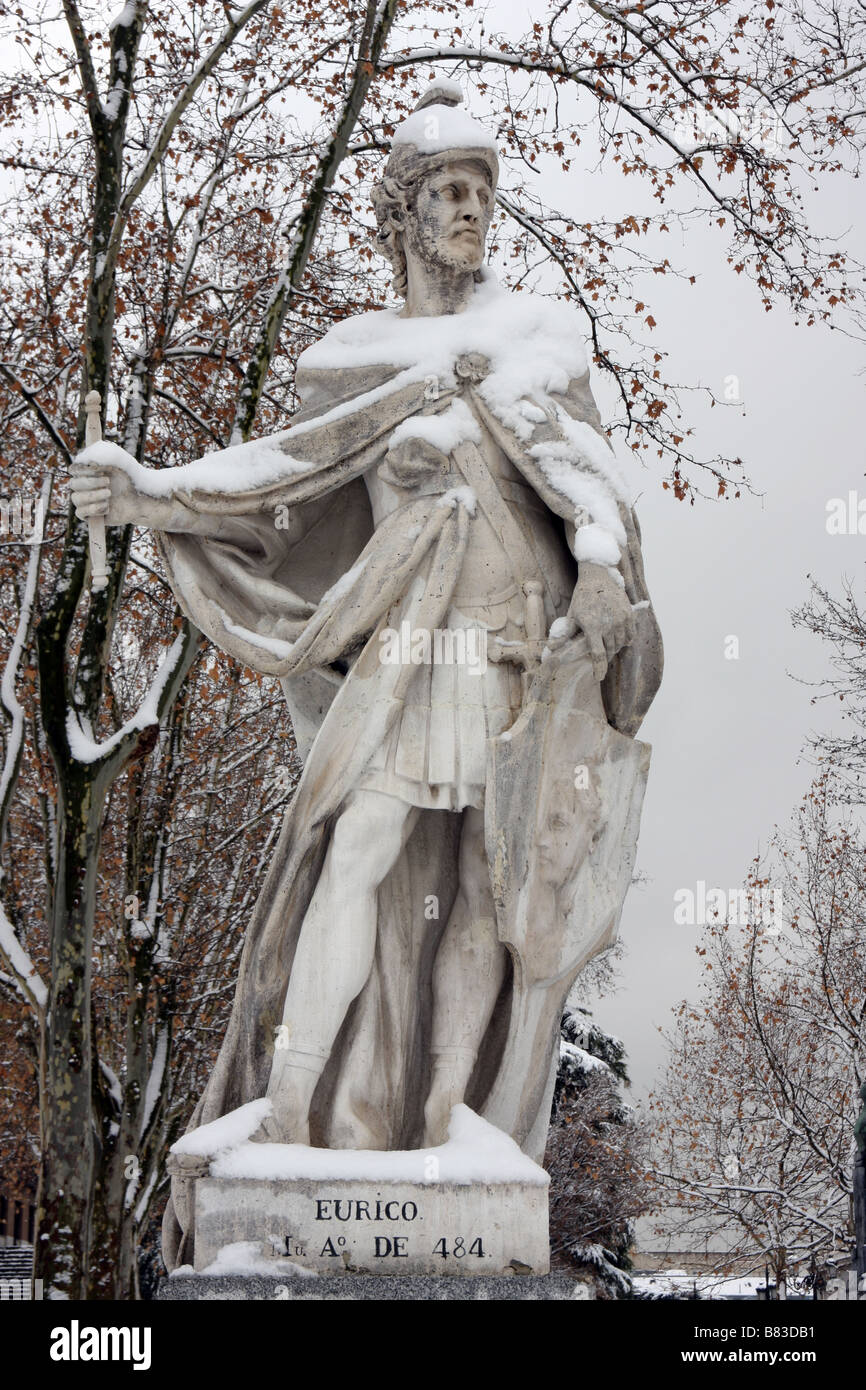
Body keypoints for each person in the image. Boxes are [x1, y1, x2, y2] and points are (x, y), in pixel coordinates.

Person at [71, 82, 662, 1270]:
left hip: (513, 669)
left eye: (479, 193)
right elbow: (276, 477)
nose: (466, 211)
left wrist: (604, 584)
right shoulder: (356, 361)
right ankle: (293, 1102)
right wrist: (148, 493)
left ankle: (449, 1115)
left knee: (490, 904)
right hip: (407, 663)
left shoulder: (539, 346)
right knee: (359, 855)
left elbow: (596, 500)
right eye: (444, 192)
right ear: (397, 214)